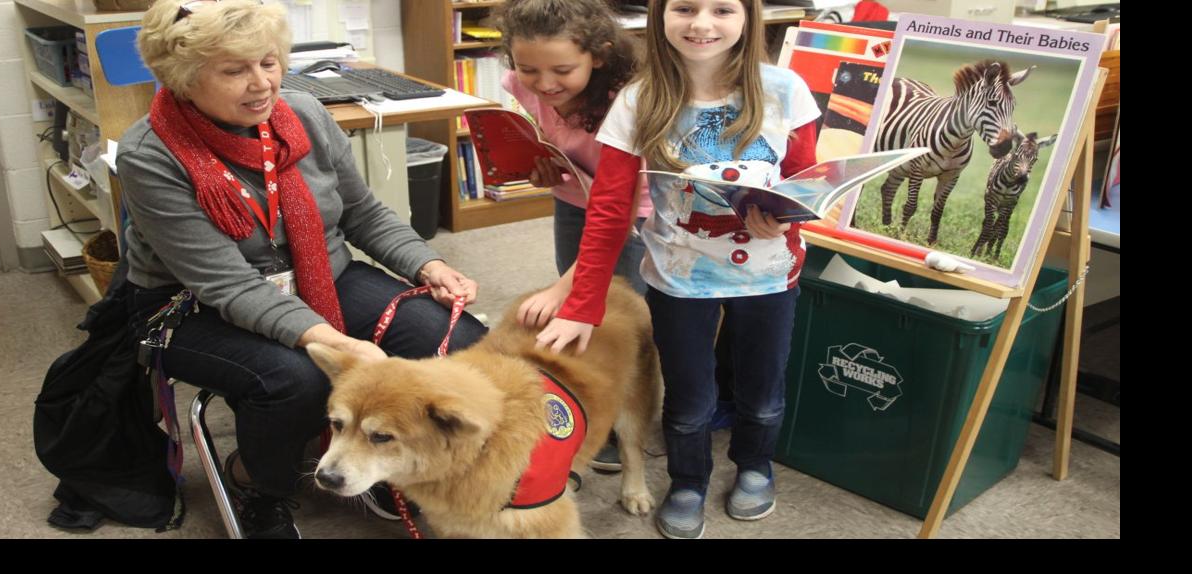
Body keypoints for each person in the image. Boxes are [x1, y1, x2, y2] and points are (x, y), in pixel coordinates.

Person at [118, 0, 486, 539]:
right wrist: (335, 342)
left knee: (455, 341)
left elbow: (362, 211)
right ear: (183, 77)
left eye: (269, 62)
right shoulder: (150, 154)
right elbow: (226, 283)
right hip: (190, 306)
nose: (262, 83)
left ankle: (397, 462)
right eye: (235, 70)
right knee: (299, 379)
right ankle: (257, 482)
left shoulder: (303, 113)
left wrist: (426, 262)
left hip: (320, 277)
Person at [534, 0, 820, 539]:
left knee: (763, 390)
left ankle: (755, 466)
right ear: (661, 14)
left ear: (749, 17)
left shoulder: (786, 90)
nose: (702, 24)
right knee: (688, 399)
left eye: (722, 9)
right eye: (685, 7)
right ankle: (687, 481)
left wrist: (786, 222)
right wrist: (582, 305)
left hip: (770, 276)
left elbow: (809, 183)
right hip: (680, 279)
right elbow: (610, 210)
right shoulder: (638, 100)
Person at [495, 0, 653, 474]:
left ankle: (633, 418)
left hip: (634, 213)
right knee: (580, 321)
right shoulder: (521, 87)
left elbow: (623, 206)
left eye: (562, 70)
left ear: (599, 56)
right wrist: (544, 171)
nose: (544, 84)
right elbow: (555, 145)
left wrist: (565, 285)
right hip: (573, 196)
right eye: (528, 70)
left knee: (622, 320)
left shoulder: (631, 100)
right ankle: (592, 412)